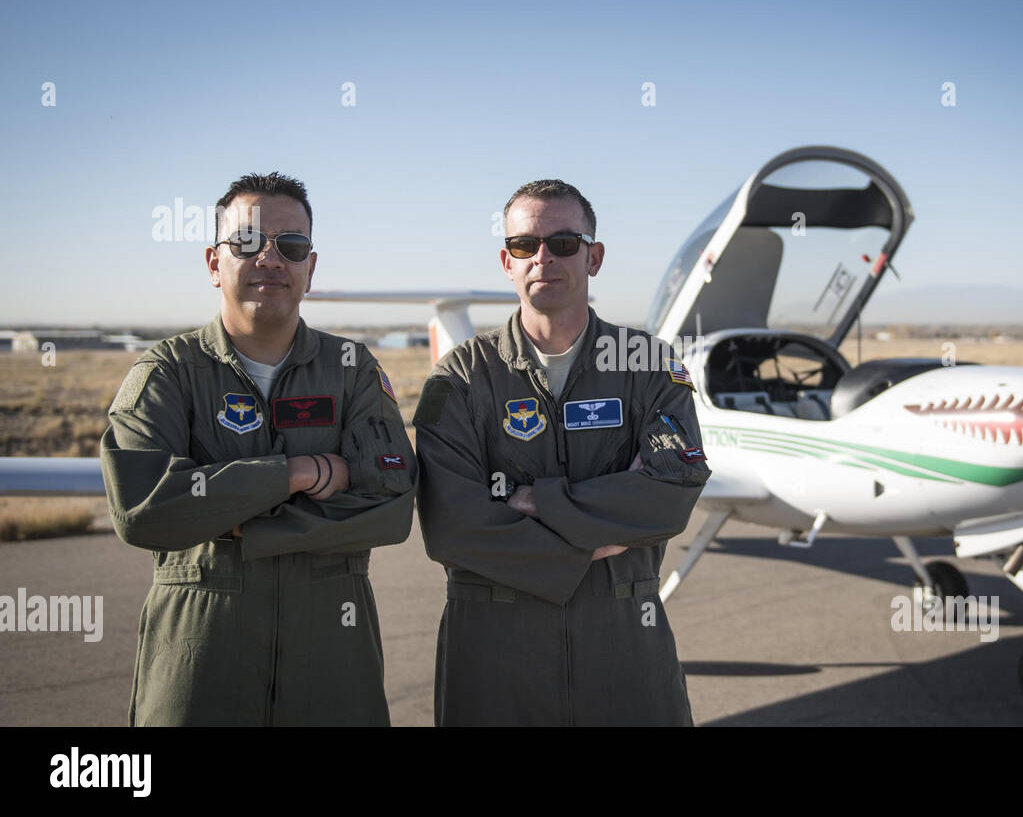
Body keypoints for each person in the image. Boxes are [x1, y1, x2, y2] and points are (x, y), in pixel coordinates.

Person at [101, 172, 415, 726]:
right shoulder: (168, 374)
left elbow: (390, 508)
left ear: (309, 269)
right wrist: (295, 473)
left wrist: (242, 519)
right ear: (213, 263)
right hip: (200, 666)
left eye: (290, 246)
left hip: (334, 670)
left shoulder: (352, 370)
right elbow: (144, 509)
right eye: (247, 242)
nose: (270, 258)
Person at [413, 179, 710, 726]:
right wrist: (596, 534)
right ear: (507, 261)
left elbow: (672, 491)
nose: (543, 257)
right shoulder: (458, 379)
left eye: (564, 243)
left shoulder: (646, 364)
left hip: (624, 645)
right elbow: (451, 526)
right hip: (492, 656)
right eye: (525, 245)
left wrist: (534, 501)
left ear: (593, 257)